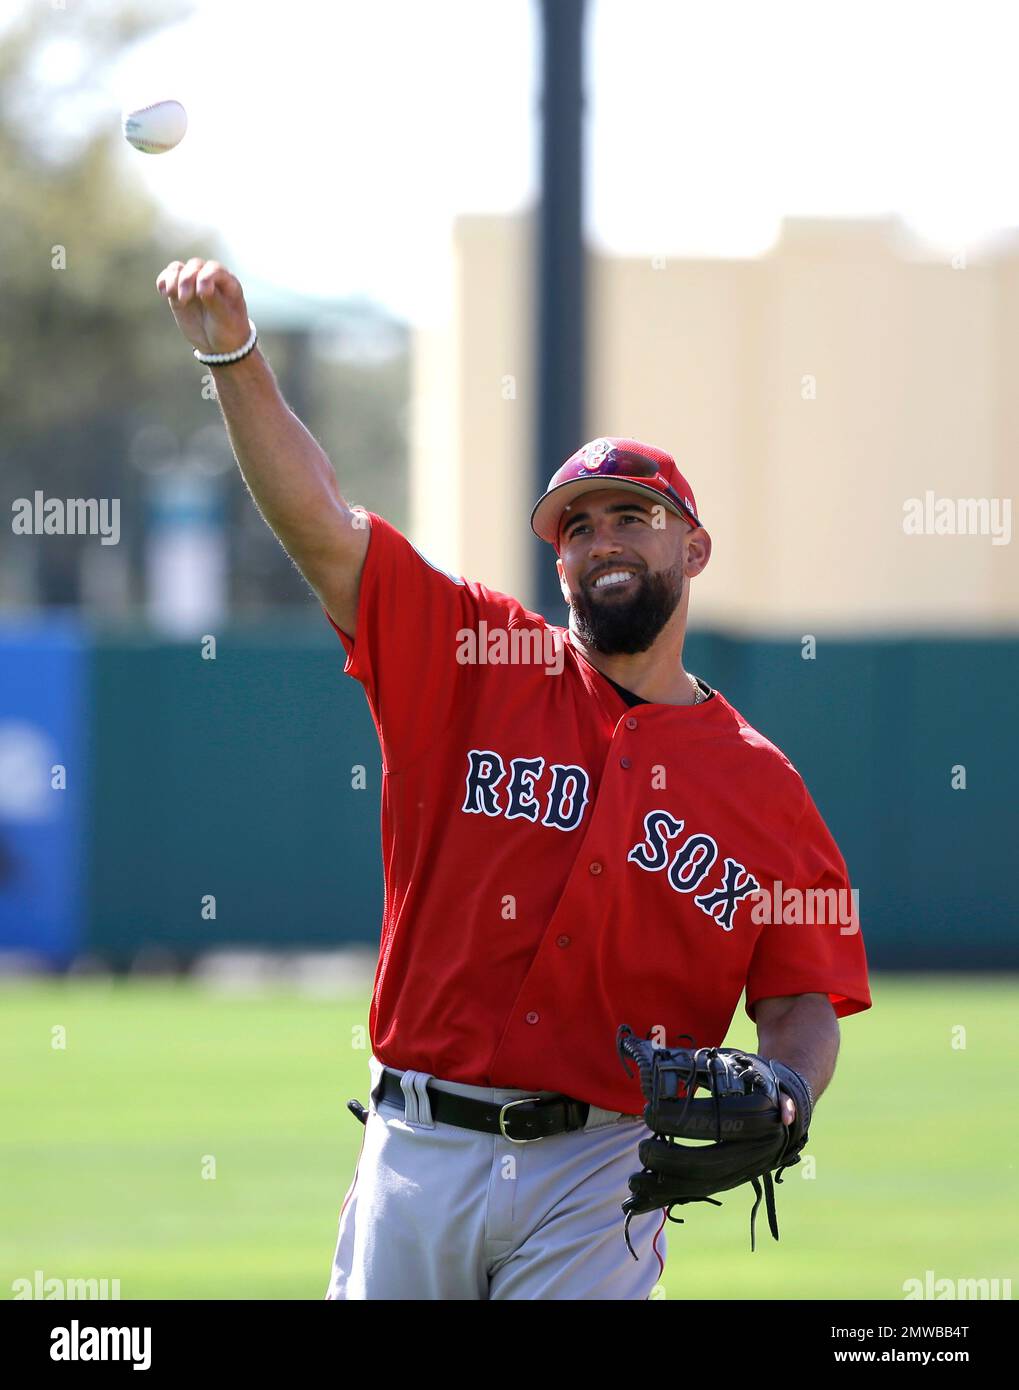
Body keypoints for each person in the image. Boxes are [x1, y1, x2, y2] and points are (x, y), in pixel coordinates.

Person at [156, 258, 872, 1301]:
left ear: (694, 545)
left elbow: (800, 996)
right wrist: (232, 355)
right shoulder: (474, 656)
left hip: (599, 1173)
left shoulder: (762, 789)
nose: (600, 540)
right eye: (575, 527)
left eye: (630, 514)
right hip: (417, 1148)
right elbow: (322, 525)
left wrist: (789, 1090)